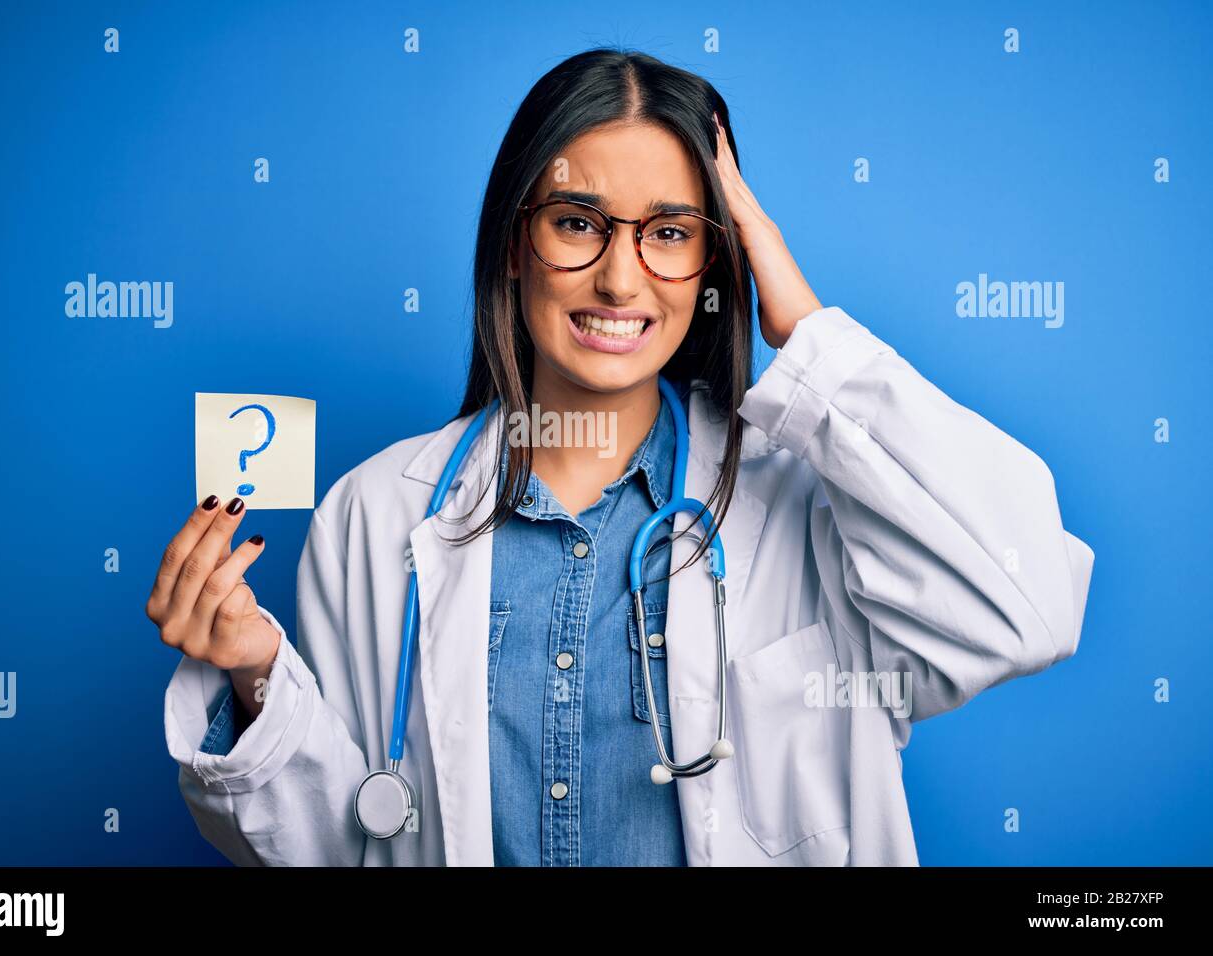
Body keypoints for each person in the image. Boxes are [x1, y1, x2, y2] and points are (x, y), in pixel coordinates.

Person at [146, 48, 1094, 866]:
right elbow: (344, 845)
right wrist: (255, 671)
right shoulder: (377, 515)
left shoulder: (818, 505)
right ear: (514, 245)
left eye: (671, 234)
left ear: (718, 260)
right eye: (577, 222)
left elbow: (1027, 610)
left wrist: (802, 328)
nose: (620, 276)